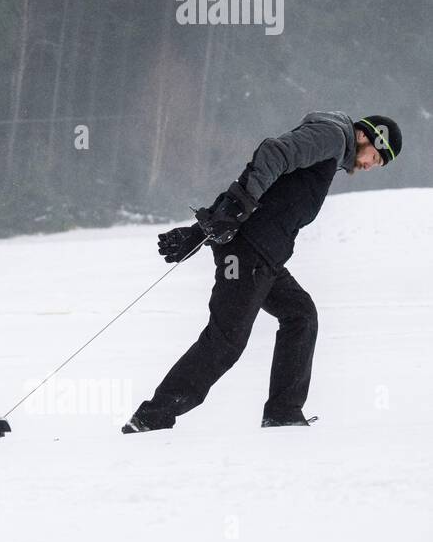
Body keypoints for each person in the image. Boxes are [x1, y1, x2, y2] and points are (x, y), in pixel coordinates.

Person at [123, 113, 402, 432]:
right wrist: (236, 207)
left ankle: (283, 413)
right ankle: (153, 417)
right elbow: (273, 152)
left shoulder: (331, 150)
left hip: (262, 254)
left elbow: (265, 186)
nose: (370, 166)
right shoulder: (332, 136)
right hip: (251, 252)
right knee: (226, 341)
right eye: (376, 158)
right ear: (366, 137)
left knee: (301, 314)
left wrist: (199, 231)